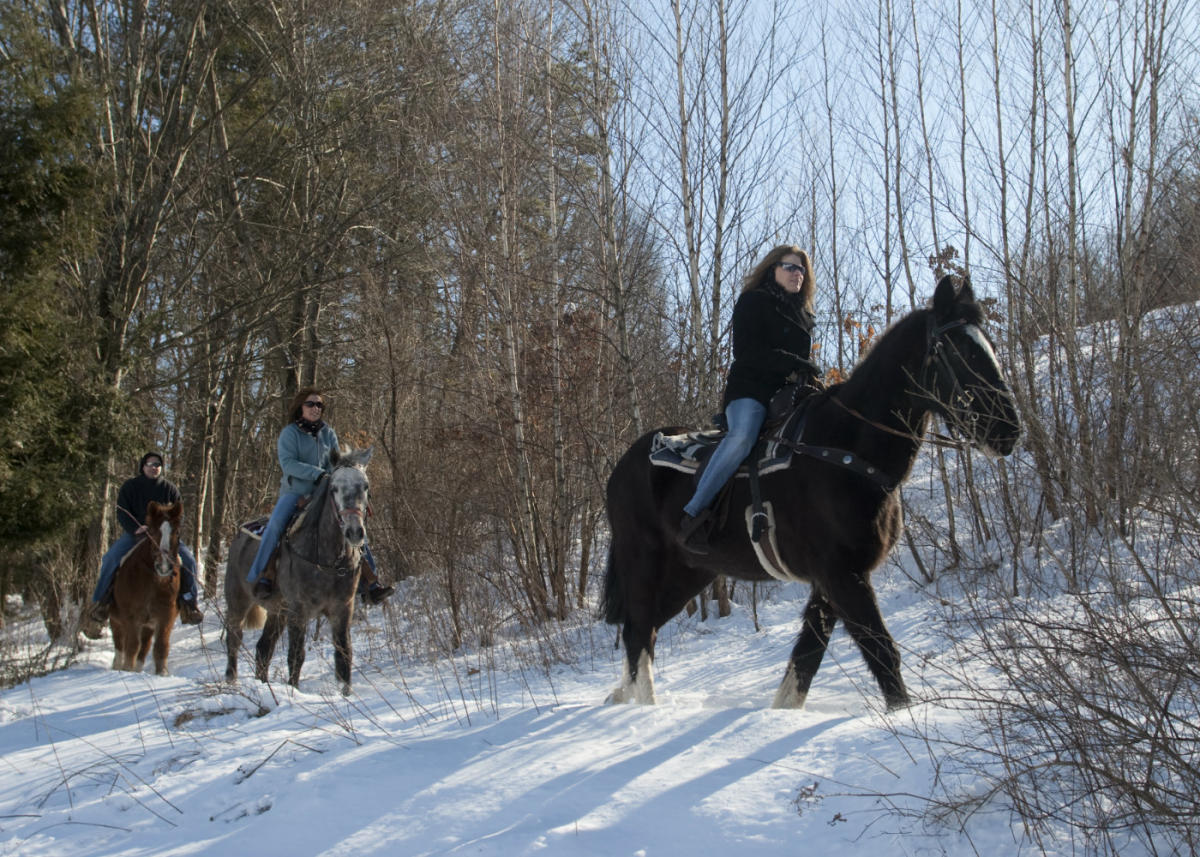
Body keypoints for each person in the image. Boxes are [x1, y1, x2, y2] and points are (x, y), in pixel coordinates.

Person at [678, 245, 820, 554]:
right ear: (773, 269)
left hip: (788, 396)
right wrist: (792, 364)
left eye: (802, 270)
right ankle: (694, 513)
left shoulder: (804, 315)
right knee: (743, 437)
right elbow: (747, 352)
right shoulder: (753, 301)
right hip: (750, 391)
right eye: (791, 267)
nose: (798, 274)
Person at [246, 387, 394, 605]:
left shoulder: (328, 433)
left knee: (352, 522)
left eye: (319, 405)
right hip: (295, 491)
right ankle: (261, 577)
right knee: (276, 525)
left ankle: (370, 583)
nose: (315, 408)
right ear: (300, 407)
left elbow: (334, 463)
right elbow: (288, 464)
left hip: (323, 491)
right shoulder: (289, 434)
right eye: (311, 404)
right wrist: (318, 474)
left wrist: (338, 475)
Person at [82, 452, 204, 636]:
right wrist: (135, 528)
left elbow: (179, 514)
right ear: (143, 466)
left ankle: (189, 603)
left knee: (189, 560)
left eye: (157, 464)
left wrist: (171, 531)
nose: (154, 467)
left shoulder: (169, 489)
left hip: (164, 536)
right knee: (111, 558)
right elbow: (122, 512)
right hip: (137, 534)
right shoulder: (130, 487)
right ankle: (101, 602)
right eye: (150, 464)